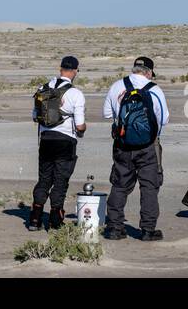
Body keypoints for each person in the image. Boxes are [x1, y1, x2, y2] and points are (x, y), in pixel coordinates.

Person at [101, 56, 169, 240]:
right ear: (149, 72)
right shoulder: (154, 89)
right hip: (149, 147)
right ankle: (148, 230)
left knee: (120, 184)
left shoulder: (117, 86)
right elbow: (163, 119)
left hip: (122, 145)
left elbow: (107, 114)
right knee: (149, 186)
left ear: (134, 69)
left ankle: (115, 227)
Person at [27, 55, 86, 230]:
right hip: (65, 142)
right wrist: (81, 131)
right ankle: (55, 219)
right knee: (60, 180)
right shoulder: (75, 94)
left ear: (60, 68)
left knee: (44, 179)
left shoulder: (43, 88)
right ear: (75, 71)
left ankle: (35, 218)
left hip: (45, 140)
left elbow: (34, 116)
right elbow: (80, 125)